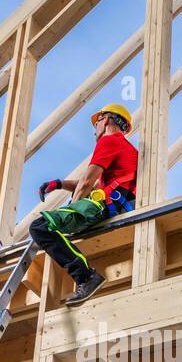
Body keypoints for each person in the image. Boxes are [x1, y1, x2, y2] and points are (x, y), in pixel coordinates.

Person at [31, 103, 138, 305]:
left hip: (104, 207)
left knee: (40, 227)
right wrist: (60, 184)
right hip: (114, 204)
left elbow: (87, 183)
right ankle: (86, 275)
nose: (94, 129)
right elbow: (93, 184)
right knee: (50, 226)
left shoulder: (109, 142)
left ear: (105, 120)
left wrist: (70, 210)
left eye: (96, 123)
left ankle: (86, 277)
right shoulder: (124, 148)